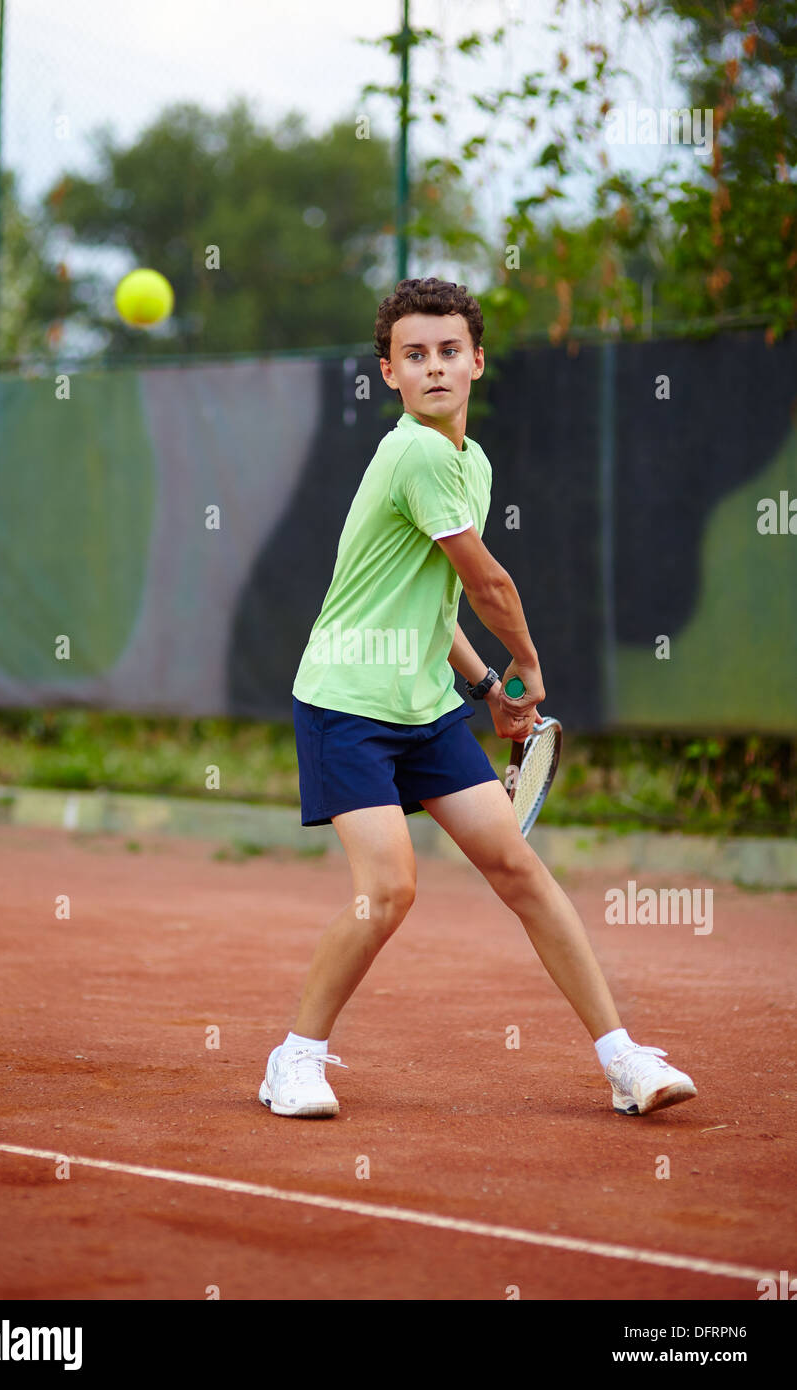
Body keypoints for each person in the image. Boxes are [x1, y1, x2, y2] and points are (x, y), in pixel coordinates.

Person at [258, 277, 697, 1121]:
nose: (433, 369)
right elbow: (488, 584)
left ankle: (622, 1061)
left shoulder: (471, 463)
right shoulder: (416, 453)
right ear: (388, 373)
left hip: (424, 708)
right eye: (413, 355)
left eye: (448, 352)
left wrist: (490, 686)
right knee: (387, 889)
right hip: (346, 700)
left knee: (517, 868)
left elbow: (438, 603)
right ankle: (295, 1059)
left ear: (477, 362)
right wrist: (528, 663)